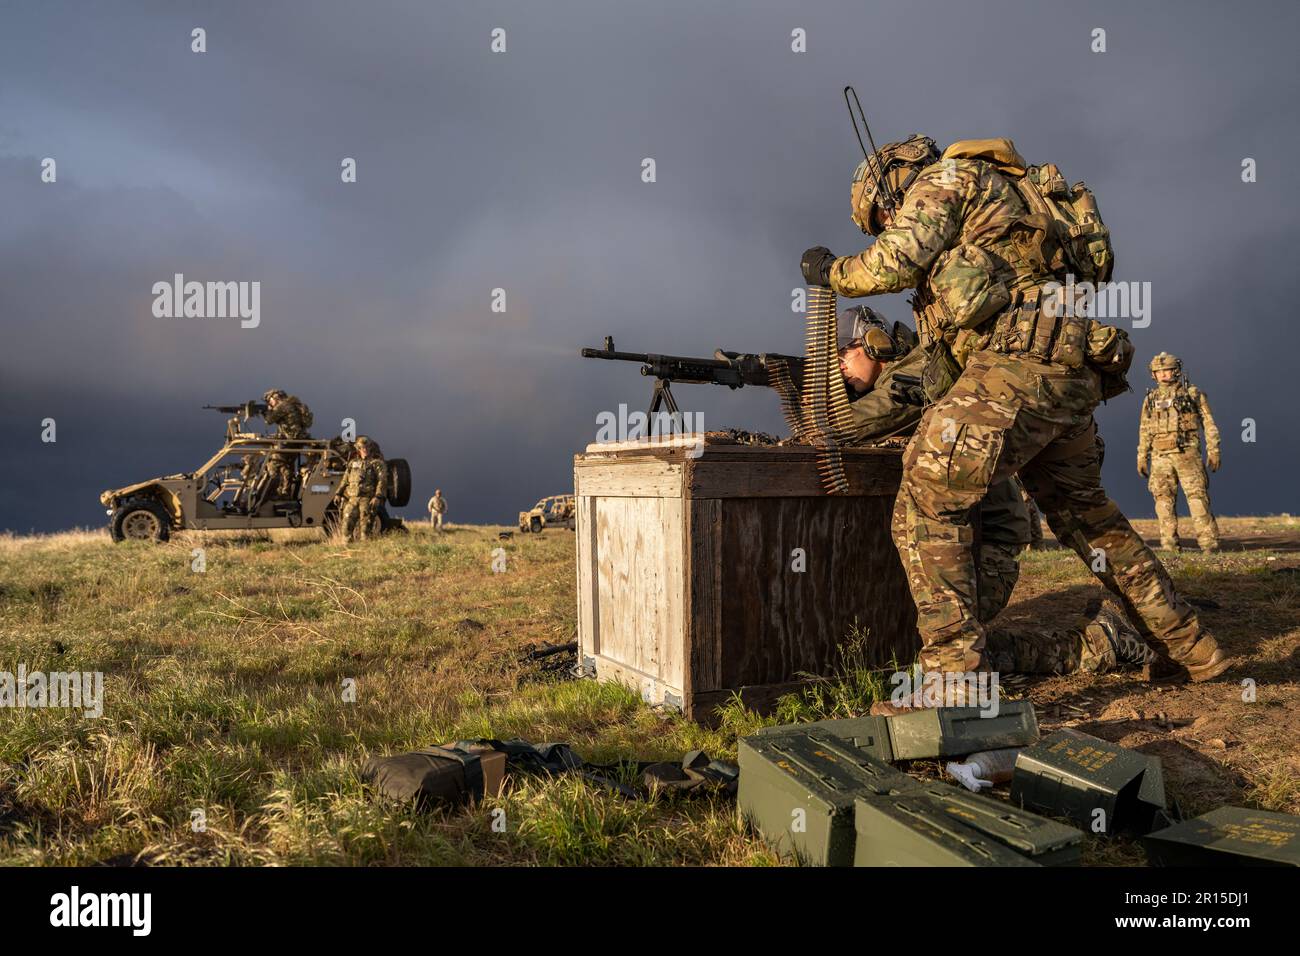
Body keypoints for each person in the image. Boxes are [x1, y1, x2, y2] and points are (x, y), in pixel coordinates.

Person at [800, 134, 1231, 700]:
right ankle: (1190, 647)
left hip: (1017, 364)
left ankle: (953, 680)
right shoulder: (1019, 197)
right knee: (1088, 518)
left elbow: (892, 262)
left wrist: (830, 271)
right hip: (1068, 368)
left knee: (929, 494)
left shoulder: (947, 177)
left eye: (881, 216)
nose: (887, 223)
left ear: (890, 184)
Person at [1137, 352, 1221, 552]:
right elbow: (1145, 429)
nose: (1164, 375)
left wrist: (1213, 449)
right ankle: (1169, 545)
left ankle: (1208, 545)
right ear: (1153, 375)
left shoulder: (1192, 394)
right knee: (1163, 500)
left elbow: (1209, 423)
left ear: (1176, 371)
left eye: (1167, 370)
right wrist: (1142, 456)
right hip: (1160, 457)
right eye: (1159, 371)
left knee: (1197, 499)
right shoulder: (1150, 399)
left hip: (1187, 454)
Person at [262, 389, 313, 498]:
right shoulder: (294, 404)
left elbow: (269, 420)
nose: (270, 403)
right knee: (287, 466)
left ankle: (271, 494)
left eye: (270, 400)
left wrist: (267, 411)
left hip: (290, 440)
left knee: (274, 464)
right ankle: (285, 493)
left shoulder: (283, 406)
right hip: (297, 440)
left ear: (276, 398)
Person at [341, 436, 387, 542]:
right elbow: (345, 479)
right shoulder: (352, 463)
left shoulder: (376, 464)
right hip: (353, 499)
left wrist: (377, 497)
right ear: (358, 449)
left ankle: (365, 554)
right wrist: (338, 493)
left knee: (365, 531)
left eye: (366, 447)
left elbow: (382, 481)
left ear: (370, 448)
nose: (365, 449)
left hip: (368, 500)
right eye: (362, 447)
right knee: (346, 526)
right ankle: (347, 551)